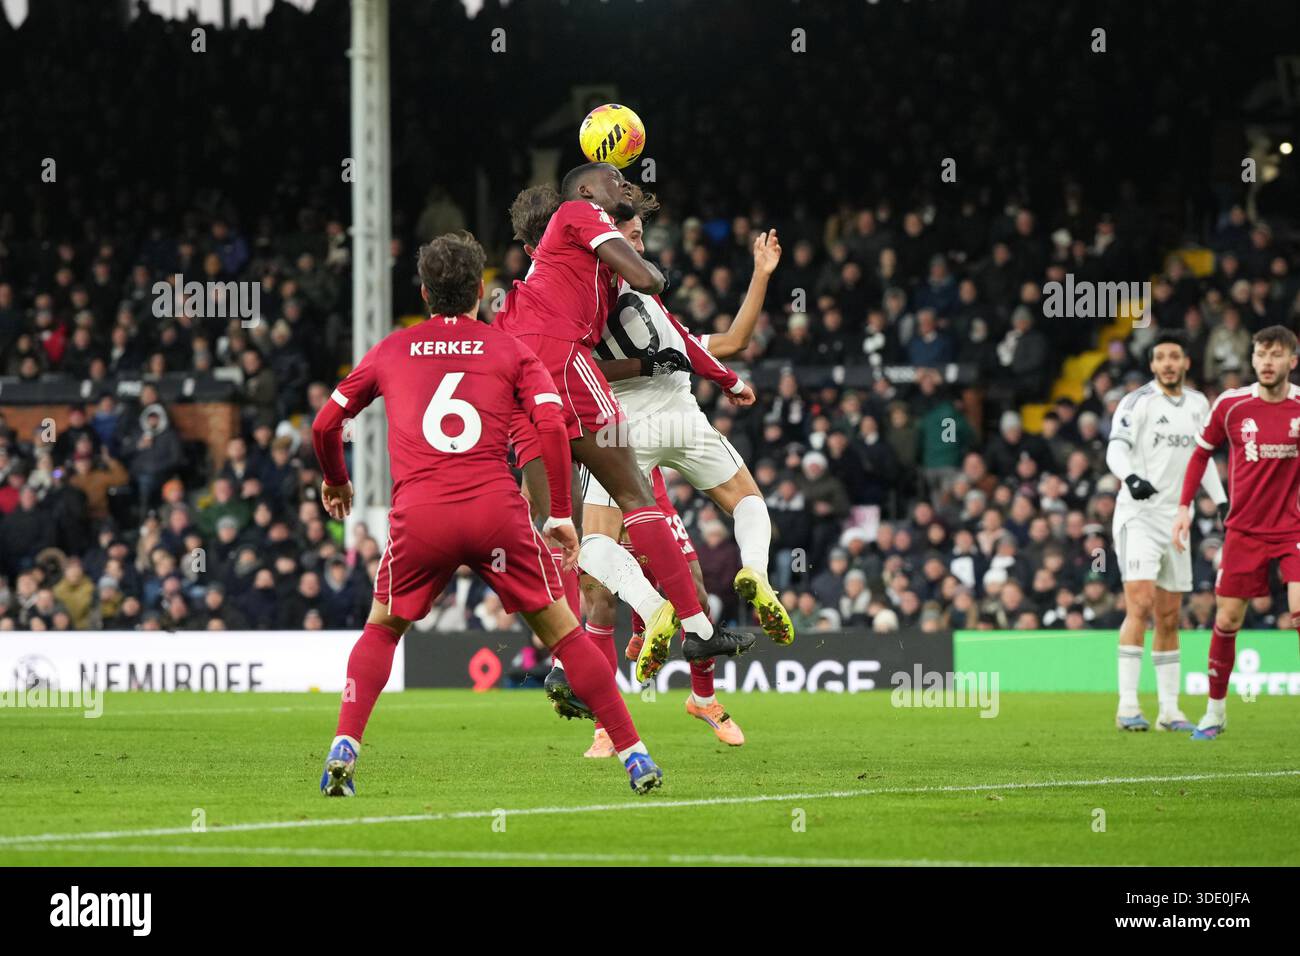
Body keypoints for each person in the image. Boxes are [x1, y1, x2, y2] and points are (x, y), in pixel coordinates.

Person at [310, 232, 663, 796]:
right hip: (494, 513)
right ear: (481, 290)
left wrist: (336, 480)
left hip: (421, 516)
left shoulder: (391, 350)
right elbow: (550, 425)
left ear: (424, 292)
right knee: (566, 636)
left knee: (382, 629)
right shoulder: (509, 350)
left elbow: (325, 424)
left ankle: (344, 747)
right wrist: (562, 514)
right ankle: (635, 756)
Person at [495, 164, 742, 683]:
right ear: (586, 195)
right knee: (636, 495)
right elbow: (648, 278)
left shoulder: (556, 272)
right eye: (613, 179)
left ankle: (567, 668)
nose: (623, 186)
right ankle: (691, 628)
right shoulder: (580, 213)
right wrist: (653, 277)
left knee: (558, 528)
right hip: (560, 359)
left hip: (517, 374)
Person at [1173, 325, 1300, 740]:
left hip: (1292, 529)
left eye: (1276, 355)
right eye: (1261, 354)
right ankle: (1215, 711)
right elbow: (1199, 453)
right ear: (1252, 359)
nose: (1267, 362)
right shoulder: (1231, 405)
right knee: (1227, 620)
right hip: (1243, 530)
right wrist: (1183, 508)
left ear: (1291, 362)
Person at [1106, 332, 1225, 732]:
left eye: (1175, 356)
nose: (1169, 363)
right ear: (1153, 365)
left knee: (1170, 615)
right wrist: (1131, 477)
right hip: (1138, 516)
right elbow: (1114, 449)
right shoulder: (1136, 401)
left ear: (1186, 362)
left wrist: (1221, 501)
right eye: (1161, 358)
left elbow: (1202, 458)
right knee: (1139, 605)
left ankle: (1169, 710)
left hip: (1177, 519)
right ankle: (1126, 706)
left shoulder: (1197, 404)